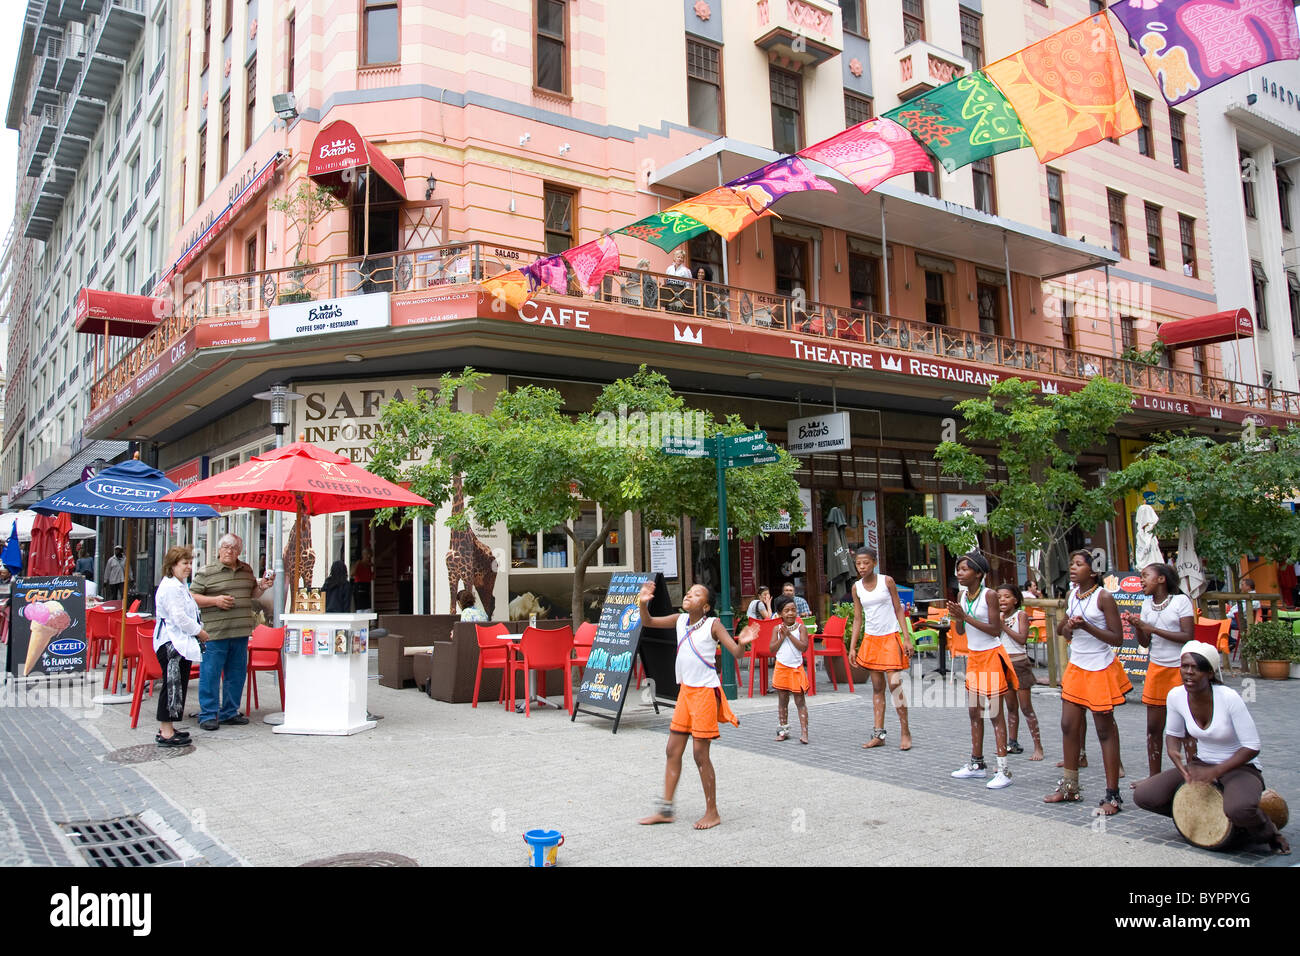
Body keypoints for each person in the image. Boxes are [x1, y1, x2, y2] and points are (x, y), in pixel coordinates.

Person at [1132, 642, 1290, 854]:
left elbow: (1252, 747)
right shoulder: (1176, 696)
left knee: (1239, 809)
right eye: (1184, 666)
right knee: (1144, 795)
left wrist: (1215, 772)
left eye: (1195, 668)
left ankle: (1270, 833)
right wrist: (1175, 755)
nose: (1188, 672)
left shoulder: (1229, 698)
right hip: (1202, 764)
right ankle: (1211, 820)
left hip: (1240, 767)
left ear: (1209, 672)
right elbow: (1173, 735)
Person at [637, 582, 757, 829]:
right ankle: (666, 810)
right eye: (689, 591)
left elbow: (736, 652)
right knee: (672, 750)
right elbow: (648, 622)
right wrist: (642, 603)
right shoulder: (679, 620)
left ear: (706, 606)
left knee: (700, 754)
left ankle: (712, 812)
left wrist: (743, 641)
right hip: (686, 694)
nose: (689, 594)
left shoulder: (713, 624)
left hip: (705, 694)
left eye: (697, 593)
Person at [1045, 550, 1129, 814]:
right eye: (1071, 563)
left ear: (1094, 572)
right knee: (1068, 725)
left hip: (1099, 667)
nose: (1072, 568)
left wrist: (1086, 627)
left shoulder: (1103, 597)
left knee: (1104, 730)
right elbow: (1062, 630)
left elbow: (1117, 638)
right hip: (1077, 666)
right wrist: (1068, 626)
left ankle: (1113, 796)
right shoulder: (1072, 596)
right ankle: (1069, 787)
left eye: (1079, 564)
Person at [190, 533, 274, 731]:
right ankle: (208, 714)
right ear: (219, 550)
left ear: (240, 551)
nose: (230, 551)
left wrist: (262, 586)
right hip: (214, 633)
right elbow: (191, 596)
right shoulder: (207, 572)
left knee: (236, 675)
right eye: (226, 547)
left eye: (234, 548)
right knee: (210, 674)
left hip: (240, 632)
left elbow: (252, 593)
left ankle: (229, 712)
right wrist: (215, 600)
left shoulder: (246, 570)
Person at [947, 553, 1014, 789]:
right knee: (974, 712)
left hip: (992, 656)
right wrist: (957, 618)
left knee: (995, 714)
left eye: (964, 569)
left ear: (978, 573)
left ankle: (1004, 769)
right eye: (958, 569)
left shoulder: (990, 595)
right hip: (974, 657)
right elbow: (961, 631)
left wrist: (965, 616)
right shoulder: (962, 595)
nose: (959, 573)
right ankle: (977, 764)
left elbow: (996, 630)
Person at [1124, 563, 1195, 777]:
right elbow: (1145, 643)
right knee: (1153, 729)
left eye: (1145, 576)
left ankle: (1192, 776)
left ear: (1162, 579)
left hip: (1180, 670)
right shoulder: (1146, 604)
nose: (1141, 580)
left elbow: (1188, 636)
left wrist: (1152, 628)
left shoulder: (1181, 601)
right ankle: (1154, 778)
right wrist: (1137, 626)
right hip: (1156, 668)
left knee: (1186, 729)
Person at [847, 547, 913, 751]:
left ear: (874, 562)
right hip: (871, 640)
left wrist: (906, 638)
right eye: (858, 563)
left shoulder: (887, 581)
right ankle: (879, 733)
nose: (862, 567)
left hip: (890, 638)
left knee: (894, 685)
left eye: (866, 563)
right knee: (877, 688)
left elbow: (898, 609)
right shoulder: (856, 587)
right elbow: (858, 618)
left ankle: (905, 731)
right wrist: (853, 646)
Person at [153, 546, 208, 747]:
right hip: (171, 643)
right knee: (172, 685)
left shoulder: (179, 585)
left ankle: (169, 727)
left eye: (190, 563)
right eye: (184, 563)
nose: (188, 567)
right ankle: (166, 731)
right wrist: (199, 632)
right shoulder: (171, 588)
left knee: (177, 683)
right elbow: (179, 617)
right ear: (173, 565)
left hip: (178, 642)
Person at [998, 584, 1044, 761]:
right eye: (1000, 596)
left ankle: (1038, 746)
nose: (1002, 600)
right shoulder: (998, 617)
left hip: (1019, 664)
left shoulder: (1021, 615)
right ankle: (1012, 742)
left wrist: (1003, 626)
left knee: (1026, 707)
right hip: (1004, 664)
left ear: (1016, 599)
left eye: (1007, 596)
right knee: (1011, 707)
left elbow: (1022, 639)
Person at [770, 595, 810, 744]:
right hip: (781, 667)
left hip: (796, 668)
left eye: (793, 610)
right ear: (780, 614)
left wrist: (789, 636)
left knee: (799, 700)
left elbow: (803, 647)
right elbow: (772, 649)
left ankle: (804, 732)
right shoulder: (776, 629)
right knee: (782, 700)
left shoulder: (801, 628)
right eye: (786, 611)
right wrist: (782, 637)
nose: (790, 613)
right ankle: (783, 730)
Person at [1226, 577, 1259, 652]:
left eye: (1242, 584)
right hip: (1238, 619)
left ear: (1248, 587)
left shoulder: (1252, 598)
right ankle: (1229, 642)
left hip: (1243, 621)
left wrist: (1228, 615)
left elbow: (1239, 611)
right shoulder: (1245, 596)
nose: (1241, 586)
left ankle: (1232, 642)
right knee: (1225, 622)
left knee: (1223, 623)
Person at [663, 247, 693, 314]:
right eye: (678, 257)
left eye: (681, 257)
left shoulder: (686, 271)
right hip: (669, 294)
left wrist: (685, 299)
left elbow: (688, 285)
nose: (679, 259)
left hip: (680, 294)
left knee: (678, 312)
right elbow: (665, 281)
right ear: (674, 258)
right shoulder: (669, 268)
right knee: (669, 312)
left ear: (683, 260)